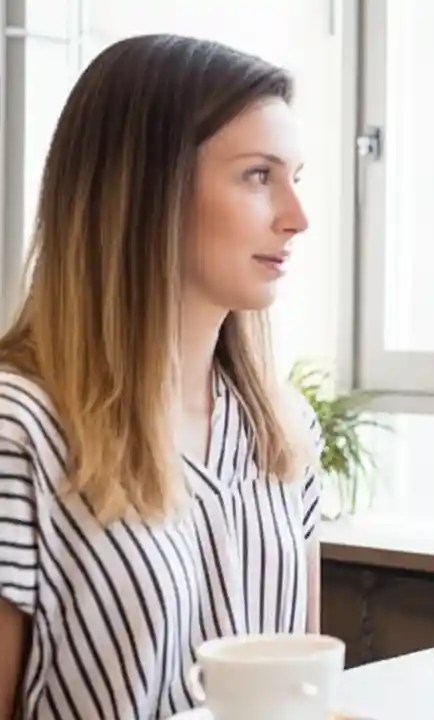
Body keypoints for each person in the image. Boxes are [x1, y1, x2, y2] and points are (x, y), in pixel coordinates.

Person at [0, 35, 321, 719]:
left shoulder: (284, 433)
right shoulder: (18, 428)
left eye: (296, 176)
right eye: (258, 176)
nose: (297, 217)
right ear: (148, 189)